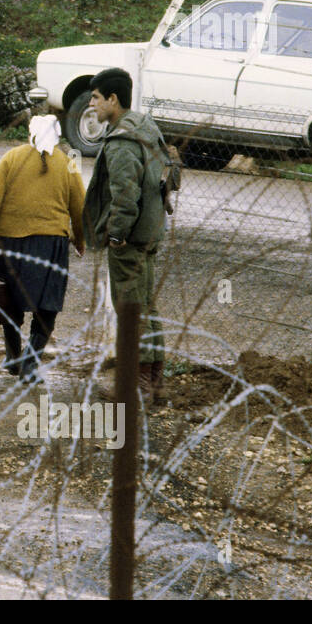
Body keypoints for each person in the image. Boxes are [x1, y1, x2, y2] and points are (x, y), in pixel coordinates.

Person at [82, 67, 172, 399]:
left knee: (131, 308)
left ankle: (139, 385)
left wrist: (116, 235)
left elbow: (124, 196)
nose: (92, 104)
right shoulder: (144, 127)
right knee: (146, 305)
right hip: (150, 232)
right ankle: (155, 380)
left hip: (130, 241)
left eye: (95, 97)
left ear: (113, 99)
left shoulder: (121, 141)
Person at [0, 115, 85, 384]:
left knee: (9, 301)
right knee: (47, 306)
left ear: (31, 133)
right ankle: (31, 362)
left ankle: (13, 356)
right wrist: (80, 239)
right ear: (58, 136)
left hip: (8, 241)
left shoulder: (12, 158)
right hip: (51, 244)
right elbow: (79, 207)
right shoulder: (68, 163)